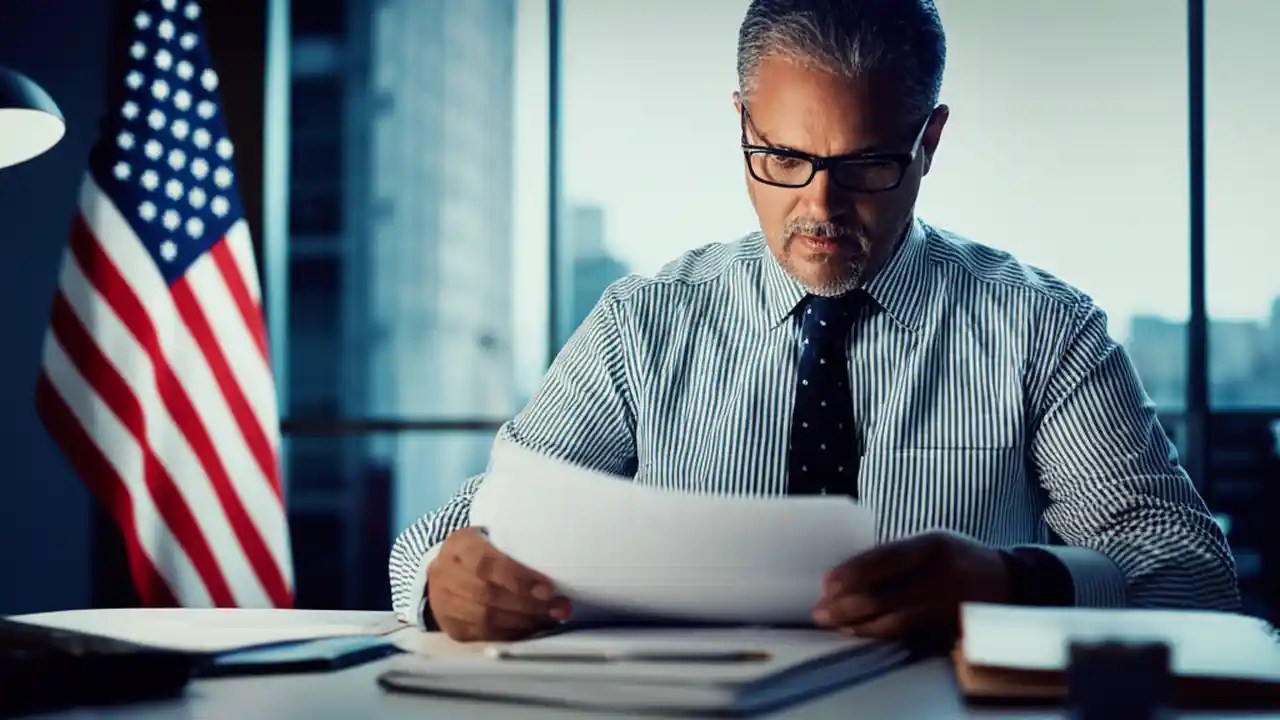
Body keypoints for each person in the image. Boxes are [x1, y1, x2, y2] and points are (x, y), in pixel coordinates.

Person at [390, 0, 1239, 642]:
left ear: (929, 142)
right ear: (742, 127)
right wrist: (446, 578)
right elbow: (441, 538)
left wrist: (1011, 583)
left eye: (866, 163)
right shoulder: (641, 326)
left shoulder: (1042, 330)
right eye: (784, 159)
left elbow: (1195, 579)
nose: (820, 207)